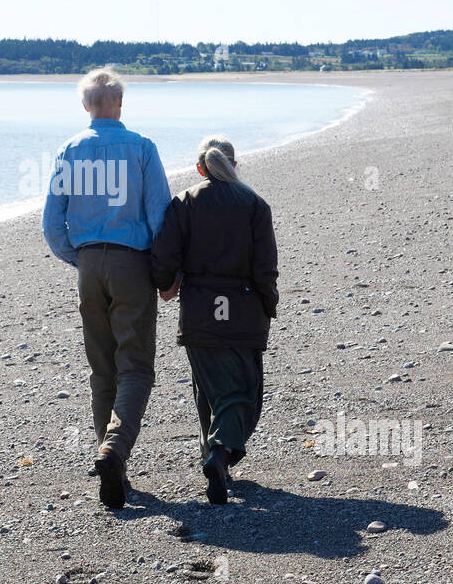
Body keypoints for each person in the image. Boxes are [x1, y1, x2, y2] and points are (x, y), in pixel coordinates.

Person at [43, 67, 171, 509]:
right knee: (135, 366)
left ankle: (110, 462)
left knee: (102, 368)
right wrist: (166, 274)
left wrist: (79, 259)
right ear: (120, 103)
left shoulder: (70, 150)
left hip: (89, 264)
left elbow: (51, 222)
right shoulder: (141, 147)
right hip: (130, 261)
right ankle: (114, 451)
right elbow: (160, 217)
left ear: (85, 106)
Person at [150, 135, 278, 504]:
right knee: (243, 394)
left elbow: (163, 254)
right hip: (244, 311)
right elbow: (265, 268)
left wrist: (166, 284)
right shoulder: (254, 204)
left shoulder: (186, 202)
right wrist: (269, 305)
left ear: (199, 167)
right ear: (234, 165)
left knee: (207, 389)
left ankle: (213, 455)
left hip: (200, 312)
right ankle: (220, 455)